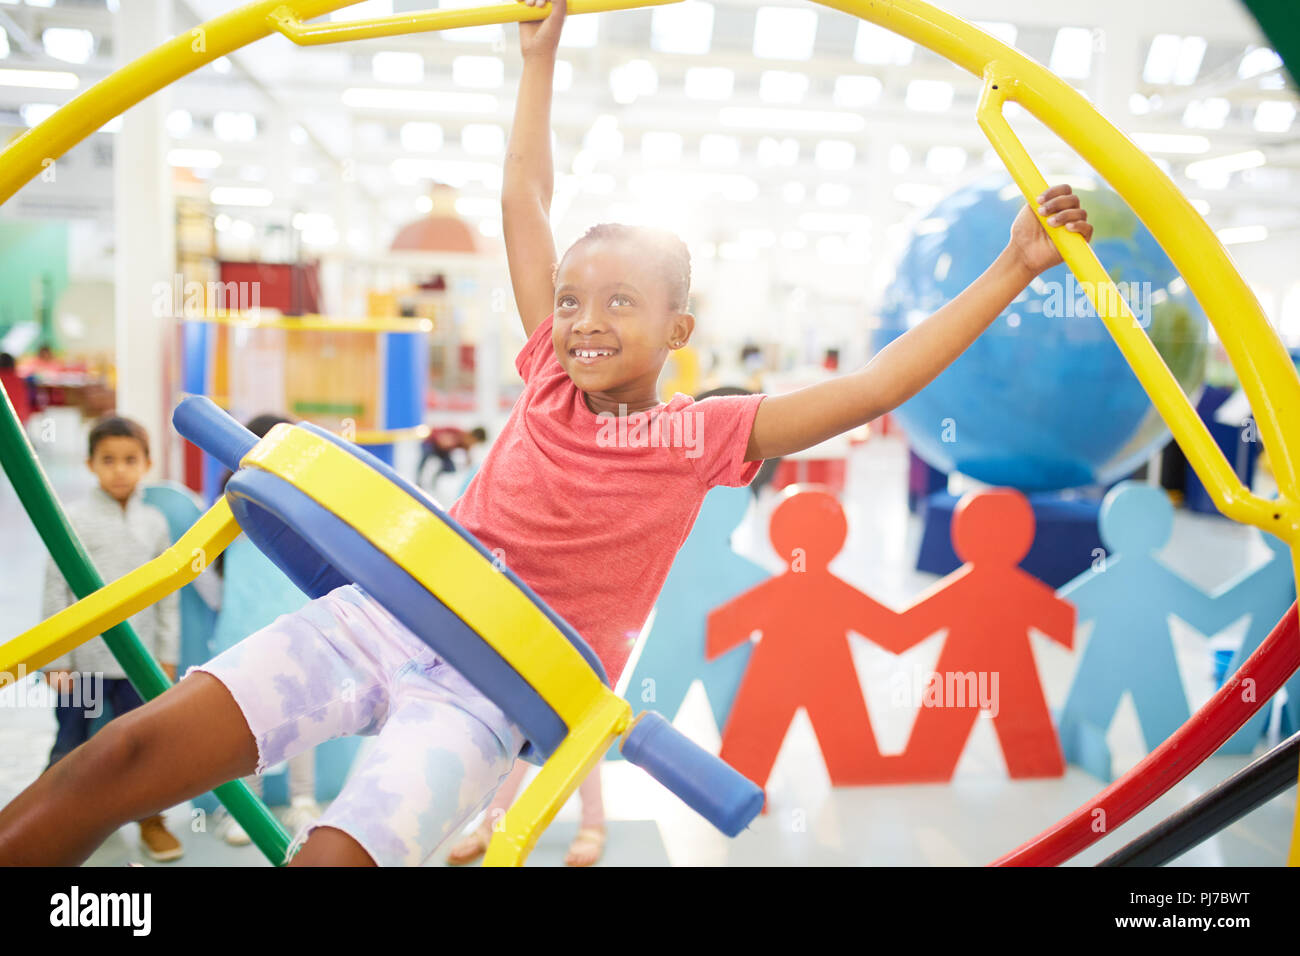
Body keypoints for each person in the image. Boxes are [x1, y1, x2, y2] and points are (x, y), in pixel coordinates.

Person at [0, 0, 1092, 867]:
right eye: (570, 299)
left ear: (679, 328)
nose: (580, 319)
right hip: (383, 610)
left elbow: (873, 385)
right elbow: (524, 196)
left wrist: (1010, 269)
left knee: (332, 855)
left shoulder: (703, 434)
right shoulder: (541, 372)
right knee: (122, 752)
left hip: (492, 690)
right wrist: (536, 61)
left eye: (619, 303)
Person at [38, 415, 183, 862]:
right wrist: (56, 660)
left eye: (129, 460)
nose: (119, 469)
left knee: (143, 749)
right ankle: (51, 821)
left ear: (146, 464)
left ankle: (151, 820)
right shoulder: (72, 520)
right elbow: (55, 590)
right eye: (108, 460)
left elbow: (167, 598)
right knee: (72, 744)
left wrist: (166, 656)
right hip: (83, 665)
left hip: (138, 664)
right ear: (90, 464)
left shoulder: (155, 523)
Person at [209, 414, 323, 847]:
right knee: (246, 722)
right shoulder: (229, 505)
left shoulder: (303, 504)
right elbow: (207, 570)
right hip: (243, 632)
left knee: (307, 715)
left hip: (298, 629)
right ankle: (248, 806)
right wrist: (227, 607)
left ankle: (304, 799)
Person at [417, 424, 487, 488]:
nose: (473, 445)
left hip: (443, 451)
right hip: (431, 443)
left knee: (451, 468)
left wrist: (468, 461)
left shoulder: (466, 444)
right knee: (425, 456)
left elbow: (467, 454)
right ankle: (418, 481)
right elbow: (439, 435)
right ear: (471, 436)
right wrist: (445, 442)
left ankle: (433, 480)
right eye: (474, 442)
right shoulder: (457, 433)